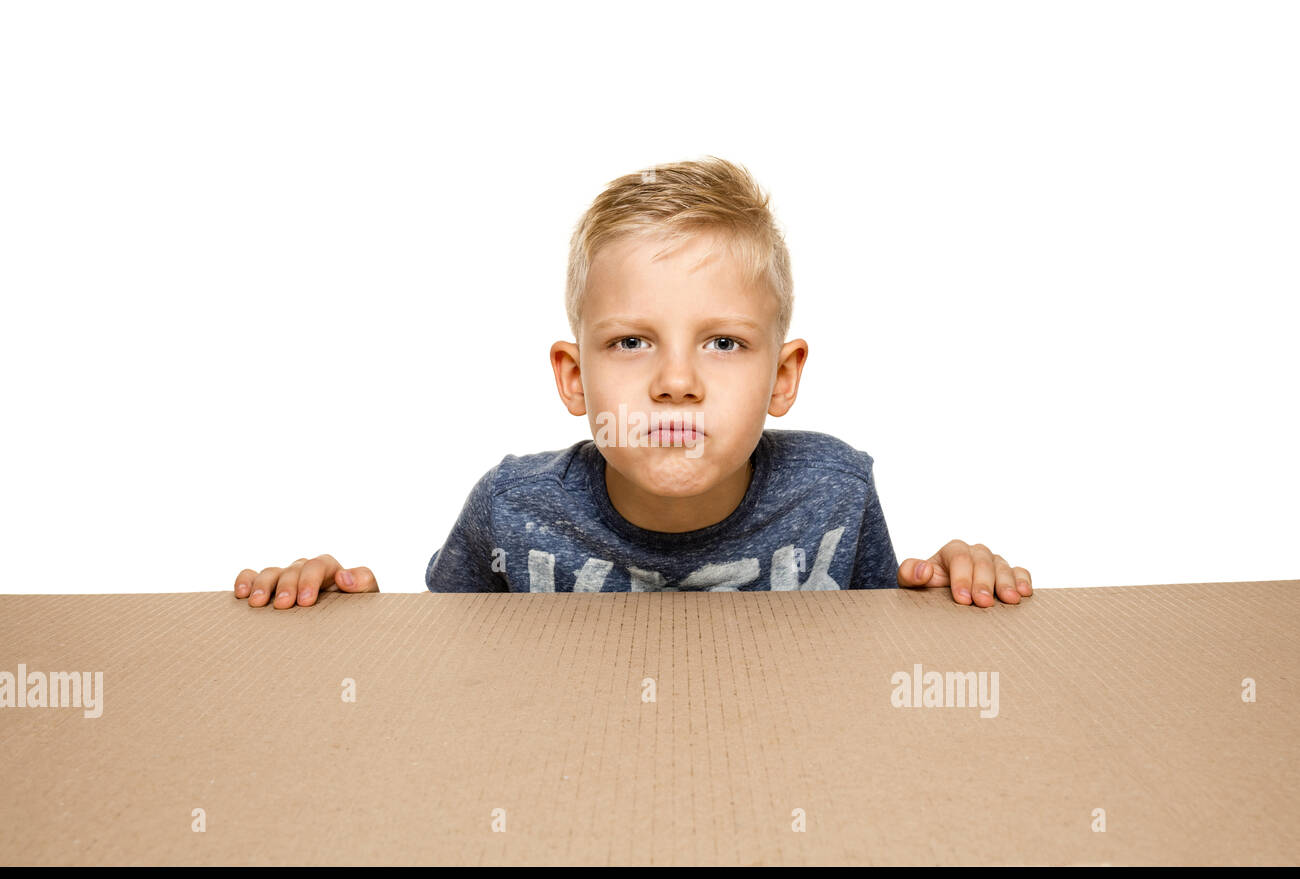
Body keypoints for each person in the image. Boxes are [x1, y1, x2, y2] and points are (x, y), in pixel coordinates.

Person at [234, 157, 1032, 605]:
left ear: (782, 377)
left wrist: (955, 583)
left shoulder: (834, 494)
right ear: (574, 377)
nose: (676, 382)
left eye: (723, 342)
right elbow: (444, 672)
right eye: (630, 343)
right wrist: (335, 611)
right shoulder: (513, 511)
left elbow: (878, 649)